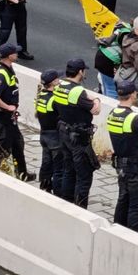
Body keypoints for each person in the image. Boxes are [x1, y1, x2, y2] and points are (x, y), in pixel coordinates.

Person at [108, 81, 138, 233]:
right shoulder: (134, 118)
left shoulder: (112, 114)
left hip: (121, 165)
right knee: (137, 206)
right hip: (136, 168)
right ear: (132, 95)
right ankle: (133, 237)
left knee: (123, 201)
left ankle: (117, 231)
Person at [53, 58, 101, 207]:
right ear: (80, 72)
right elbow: (95, 109)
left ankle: (66, 203)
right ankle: (80, 208)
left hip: (64, 131)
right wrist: (97, 99)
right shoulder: (77, 91)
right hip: (79, 138)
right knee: (84, 175)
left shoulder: (59, 86)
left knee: (69, 170)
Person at [0, 43, 34, 182]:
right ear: (9, 56)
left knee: (17, 142)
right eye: (15, 52)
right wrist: (7, 107)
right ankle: (0, 173)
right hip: (2, 115)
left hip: (8, 115)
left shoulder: (5, 67)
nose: (17, 54)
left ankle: (22, 173)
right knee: (5, 143)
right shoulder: (1, 73)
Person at [35, 69, 65, 194]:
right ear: (54, 82)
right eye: (58, 79)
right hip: (55, 137)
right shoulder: (54, 99)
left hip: (44, 135)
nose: (60, 80)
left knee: (46, 162)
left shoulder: (41, 95)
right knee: (59, 168)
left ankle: (44, 186)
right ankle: (58, 194)